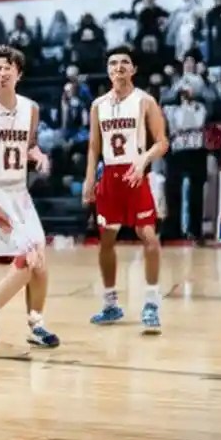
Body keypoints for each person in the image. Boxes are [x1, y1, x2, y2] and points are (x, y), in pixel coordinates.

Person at [0, 46, 60, 350]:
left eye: (7, 67)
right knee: (28, 258)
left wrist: (38, 155)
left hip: (20, 191)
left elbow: (28, 144)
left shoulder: (30, 108)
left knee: (39, 260)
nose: (1, 73)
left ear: (19, 73)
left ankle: (36, 325)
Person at [82, 46, 169, 333]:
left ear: (133, 70)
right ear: (108, 71)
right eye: (113, 63)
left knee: (149, 237)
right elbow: (94, 146)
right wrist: (88, 180)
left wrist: (145, 159)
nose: (119, 67)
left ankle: (152, 303)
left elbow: (162, 141)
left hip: (135, 175)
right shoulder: (98, 105)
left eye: (124, 63)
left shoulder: (145, 101)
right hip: (109, 177)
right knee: (106, 240)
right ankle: (110, 304)